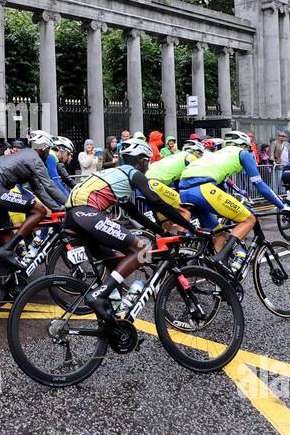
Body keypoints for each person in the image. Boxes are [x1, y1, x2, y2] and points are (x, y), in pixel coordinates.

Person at [68, 137, 199, 324]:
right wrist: (192, 227)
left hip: (74, 215)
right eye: (148, 162)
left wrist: (162, 232)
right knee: (141, 251)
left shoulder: (116, 174)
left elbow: (135, 214)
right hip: (86, 212)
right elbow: (157, 202)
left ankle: (113, 318)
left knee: (113, 262)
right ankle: (98, 296)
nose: (148, 166)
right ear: (141, 161)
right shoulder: (133, 174)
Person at [179, 130, 290, 273]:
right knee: (249, 219)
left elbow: (223, 191)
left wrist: (237, 206)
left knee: (219, 236)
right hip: (202, 188)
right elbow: (261, 187)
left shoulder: (217, 155)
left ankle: (220, 281)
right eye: (249, 148)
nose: (249, 152)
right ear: (244, 146)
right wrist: (283, 206)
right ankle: (221, 258)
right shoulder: (242, 154)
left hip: (184, 191)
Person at [0, 130, 67, 269]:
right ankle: (8, 250)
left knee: (6, 235)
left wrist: (58, 208)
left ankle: (9, 276)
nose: (48, 153)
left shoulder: (26, 158)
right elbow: (49, 184)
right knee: (39, 211)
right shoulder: (33, 157)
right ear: (43, 147)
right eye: (48, 150)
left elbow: (40, 190)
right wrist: (69, 204)